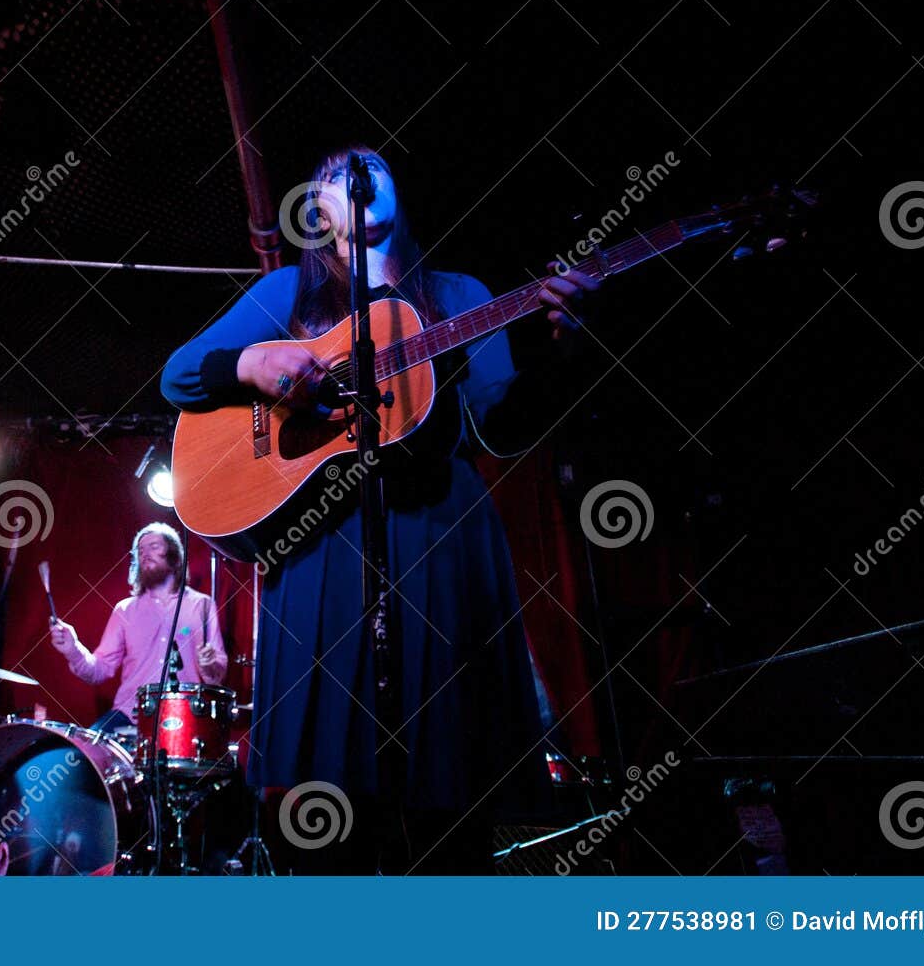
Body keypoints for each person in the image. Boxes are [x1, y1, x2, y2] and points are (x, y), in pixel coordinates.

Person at [159, 146, 600, 872]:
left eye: (371, 167)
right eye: (335, 175)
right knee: (331, 814)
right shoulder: (287, 293)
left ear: (397, 190)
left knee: (448, 804)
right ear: (317, 212)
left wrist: (561, 351)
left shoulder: (458, 293)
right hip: (324, 544)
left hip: (440, 535)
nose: (356, 179)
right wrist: (253, 362)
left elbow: (501, 426)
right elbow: (178, 376)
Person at [48, 523, 228, 733]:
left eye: (154, 546)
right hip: (129, 713)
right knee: (85, 747)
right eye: (140, 550)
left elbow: (216, 676)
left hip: (183, 714)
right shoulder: (125, 610)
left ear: (175, 556)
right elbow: (100, 669)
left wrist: (209, 664)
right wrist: (73, 649)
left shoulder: (202, 605)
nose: (145, 554)